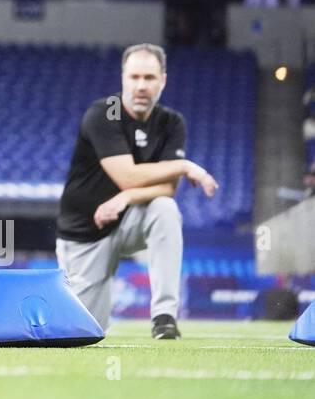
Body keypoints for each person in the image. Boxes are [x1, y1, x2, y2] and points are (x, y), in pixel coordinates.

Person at [55, 43, 220, 339]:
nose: (141, 86)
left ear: (163, 81)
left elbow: (167, 189)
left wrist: (127, 198)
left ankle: (164, 316)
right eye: (134, 77)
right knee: (82, 333)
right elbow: (129, 176)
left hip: (130, 220)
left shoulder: (171, 122)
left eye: (149, 78)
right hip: (86, 232)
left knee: (165, 209)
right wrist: (183, 166)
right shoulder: (105, 112)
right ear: (123, 79)